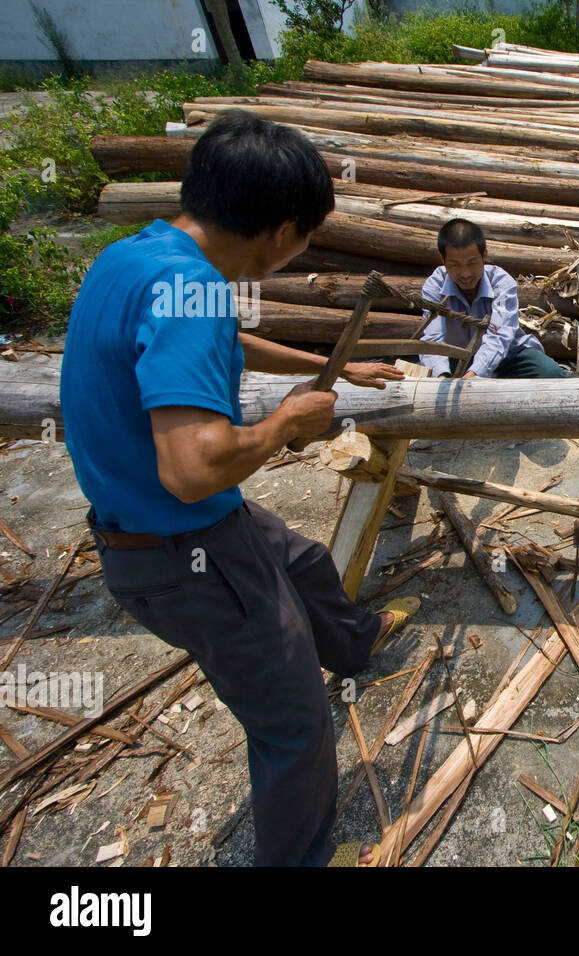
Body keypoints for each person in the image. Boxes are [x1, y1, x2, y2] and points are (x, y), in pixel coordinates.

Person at [59, 110, 415, 867]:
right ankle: (300, 858)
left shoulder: (140, 259)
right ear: (282, 231)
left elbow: (211, 328)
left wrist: (329, 365)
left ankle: (355, 643)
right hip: (184, 546)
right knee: (293, 722)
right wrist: (286, 423)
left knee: (302, 560)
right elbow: (192, 467)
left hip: (161, 526)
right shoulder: (193, 287)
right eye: (308, 236)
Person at [417, 218, 571, 379]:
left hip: (507, 356)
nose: (465, 274)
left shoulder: (501, 283)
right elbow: (433, 338)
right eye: (455, 265)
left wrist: (473, 376)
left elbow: (499, 337)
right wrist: (442, 378)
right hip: (456, 356)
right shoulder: (435, 286)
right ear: (442, 259)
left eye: (472, 263)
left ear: (484, 255)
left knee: (551, 373)